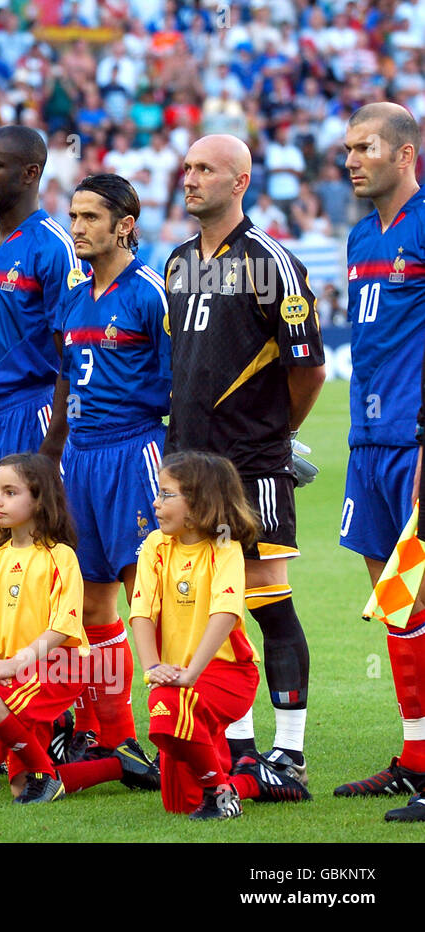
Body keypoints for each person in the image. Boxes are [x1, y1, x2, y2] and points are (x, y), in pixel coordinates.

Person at [164, 134, 325, 777]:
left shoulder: (272, 262)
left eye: (205, 168)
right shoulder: (177, 262)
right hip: (186, 464)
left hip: (249, 469)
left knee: (266, 600)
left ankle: (290, 751)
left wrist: (271, 437)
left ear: (240, 181)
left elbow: (307, 368)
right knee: (209, 606)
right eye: (186, 168)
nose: (190, 178)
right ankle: (237, 747)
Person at [130, 452, 312, 820]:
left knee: (166, 711)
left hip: (228, 673)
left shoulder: (225, 549)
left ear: (198, 504)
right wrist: (153, 668)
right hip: (178, 674)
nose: (155, 502)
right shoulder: (154, 545)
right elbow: (140, 613)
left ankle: (219, 792)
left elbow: (225, 614)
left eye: (167, 494)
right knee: (179, 802)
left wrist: (189, 674)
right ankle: (250, 781)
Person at [0, 453, 159, 803]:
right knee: (21, 785)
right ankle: (117, 766)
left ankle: (49, 773)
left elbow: (64, 624)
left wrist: (16, 663)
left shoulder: (60, 556)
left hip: (57, 668)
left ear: (40, 499)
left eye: (11, 492)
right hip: (16, 674)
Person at [57, 173, 169, 758]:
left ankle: (175, 735)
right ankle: (116, 738)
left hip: (137, 452)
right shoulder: (73, 299)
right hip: (80, 457)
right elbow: (65, 375)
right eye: (74, 217)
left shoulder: (151, 292)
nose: (77, 228)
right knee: (93, 602)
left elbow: (180, 383)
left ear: (125, 226)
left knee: (145, 594)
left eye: (91, 218)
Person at [336, 104, 425, 816]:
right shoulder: (362, 234)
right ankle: (415, 759)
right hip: (367, 447)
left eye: (364, 147)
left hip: (416, 439)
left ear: (405, 154)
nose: (351, 160)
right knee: (395, 606)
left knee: (420, 599)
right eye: (346, 149)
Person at [0, 125, 84, 464]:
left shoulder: (54, 247)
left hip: (27, 413)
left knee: (23, 518)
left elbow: (72, 356)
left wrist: (54, 443)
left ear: (30, 173)